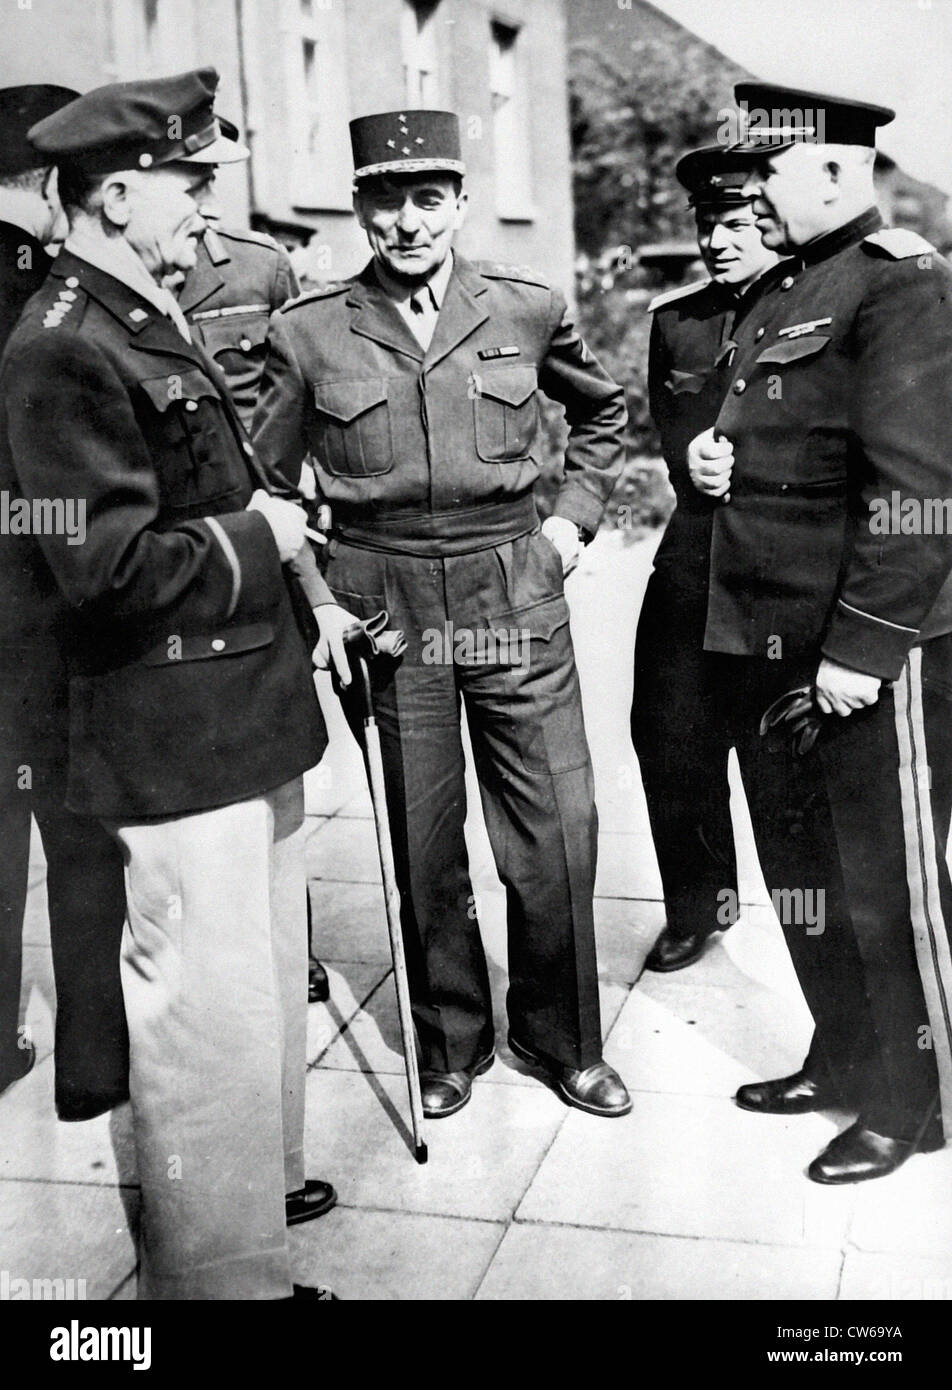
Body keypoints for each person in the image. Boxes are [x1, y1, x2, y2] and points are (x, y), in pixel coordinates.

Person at [2, 67, 344, 1296]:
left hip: (237, 717)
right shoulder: (61, 347)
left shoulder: (147, 306)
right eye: (190, 182)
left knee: (245, 1016)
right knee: (202, 1032)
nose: (207, 205)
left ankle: (240, 1242)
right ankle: (220, 1288)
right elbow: (101, 566)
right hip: (168, 733)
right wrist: (268, 540)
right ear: (113, 191)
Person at [253, 109, 632, 1120]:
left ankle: (562, 1038)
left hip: (514, 589)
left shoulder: (526, 306)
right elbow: (267, 489)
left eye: (428, 199)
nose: (408, 222)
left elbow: (601, 412)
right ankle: (448, 1041)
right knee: (421, 842)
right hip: (388, 606)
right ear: (359, 209)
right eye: (386, 200)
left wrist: (570, 526)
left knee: (558, 827)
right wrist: (323, 600)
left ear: (460, 203)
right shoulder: (307, 330)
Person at [689, 82, 952, 1183]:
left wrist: (861, 647)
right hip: (760, 636)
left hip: (850, 655)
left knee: (882, 889)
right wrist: (705, 461)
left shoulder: (899, 290)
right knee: (802, 873)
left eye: (773, 172)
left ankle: (914, 1097)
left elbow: (920, 490)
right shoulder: (786, 284)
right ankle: (841, 1056)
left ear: (836, 174)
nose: (752, 189)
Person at [0, 82, 129, 1118]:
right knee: (82, 843)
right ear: (48, 183)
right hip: (47, 620)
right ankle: (94, 1063)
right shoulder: (56, 300)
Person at [176, 137, 330, 1004]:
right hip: (165, 550)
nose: (202, 201)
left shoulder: (258, 268)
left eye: (208, 184)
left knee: (273, 744)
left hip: (260, 539)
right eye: (189, 181)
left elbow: (300, 382)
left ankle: (288, 935)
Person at [632, 146, 779, 973]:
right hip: (692, 561)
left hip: (778, 570)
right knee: (668, 736)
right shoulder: (676, 320)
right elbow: (669, 428)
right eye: (706, 224)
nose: (718, 241)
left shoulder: (816, 310)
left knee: (776, 755)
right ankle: (699, 906)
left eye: (737, 223)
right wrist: (690, 457)